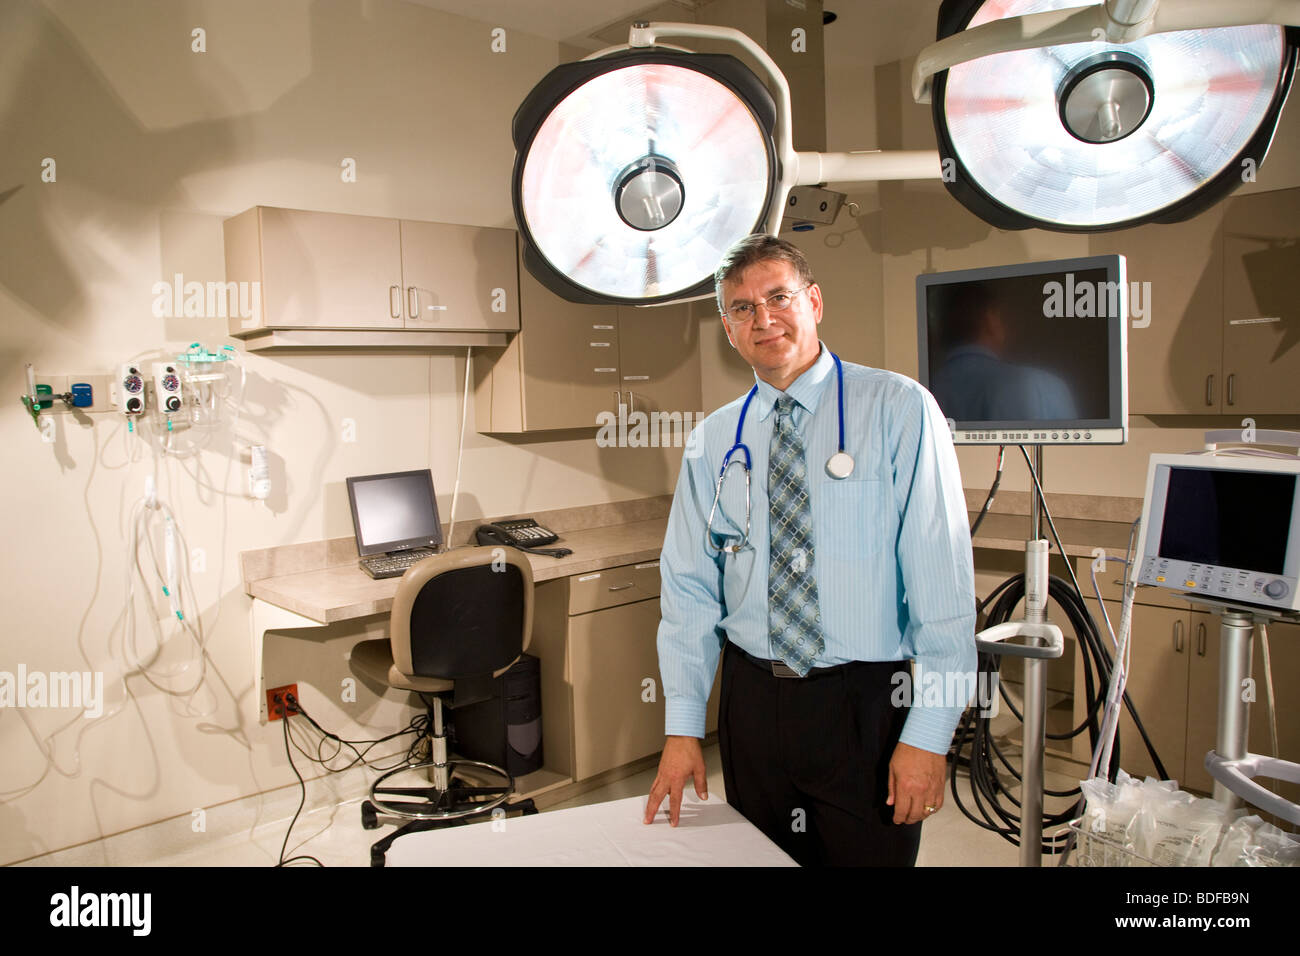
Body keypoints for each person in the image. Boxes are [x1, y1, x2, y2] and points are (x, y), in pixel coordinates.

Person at [642, 234, 977, 866]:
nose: (763, 318)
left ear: (814, 301)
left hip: (865, 707)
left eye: (778, 296)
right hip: (752, 706)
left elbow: (944, 594)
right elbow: (688, 591)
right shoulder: (714, 440)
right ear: (728, 328)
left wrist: (929, 737)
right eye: (742, 308)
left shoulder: (899, 410)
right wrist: (683, 727)